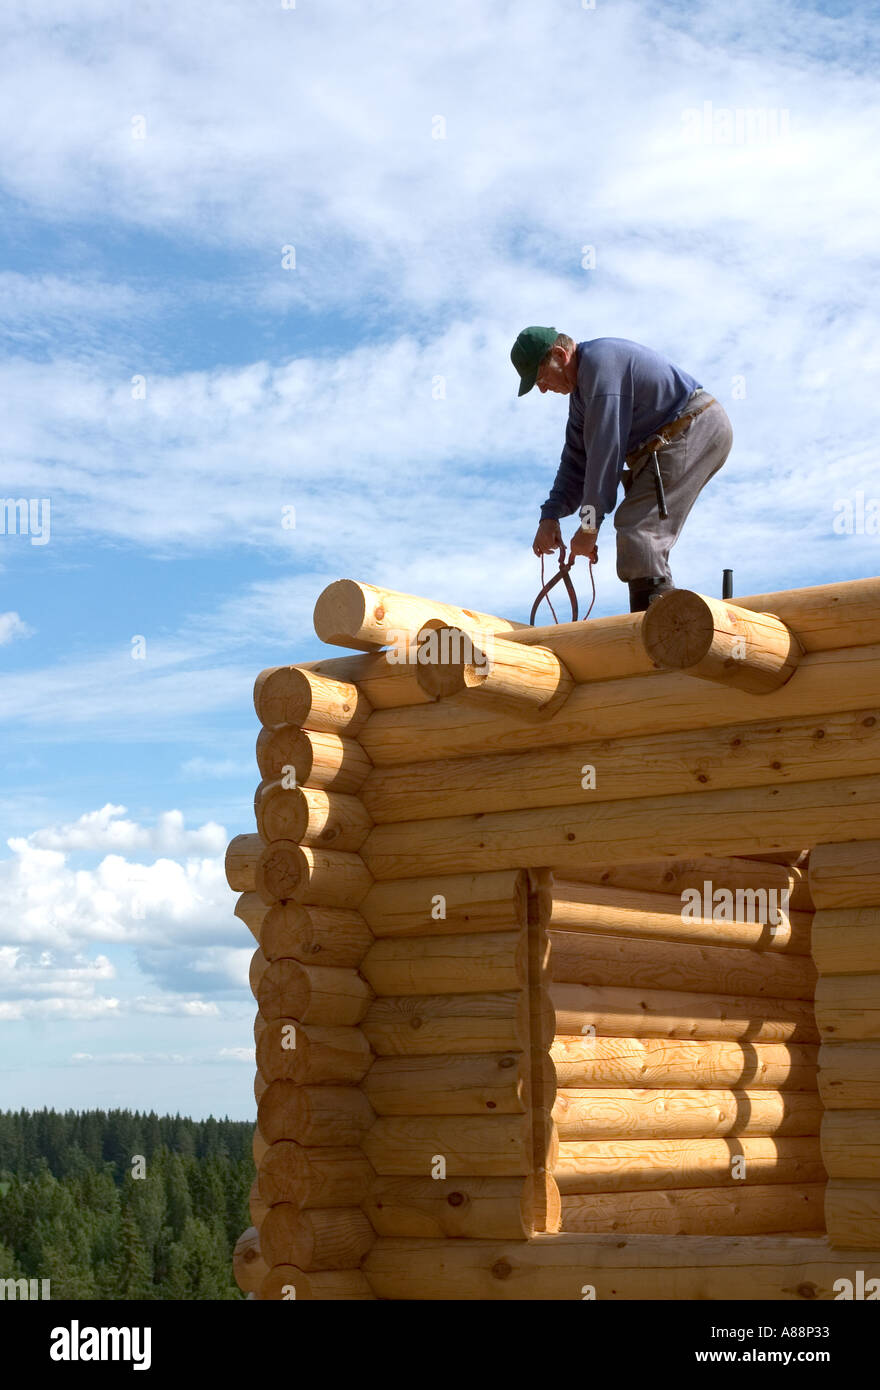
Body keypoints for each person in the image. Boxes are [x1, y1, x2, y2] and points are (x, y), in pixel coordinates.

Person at [510, 327, 733, 612]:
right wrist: (550, 515)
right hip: (672, 436)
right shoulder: (582, 395)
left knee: (638, 527)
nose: (542, 389)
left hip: (693, 426)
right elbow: (576, 460)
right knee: (636, 527)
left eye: (541, 378)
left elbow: (605, 454)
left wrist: (589, 527)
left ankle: (663, 633)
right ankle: (656, 624)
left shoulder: (600, 369)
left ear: (559, 354)